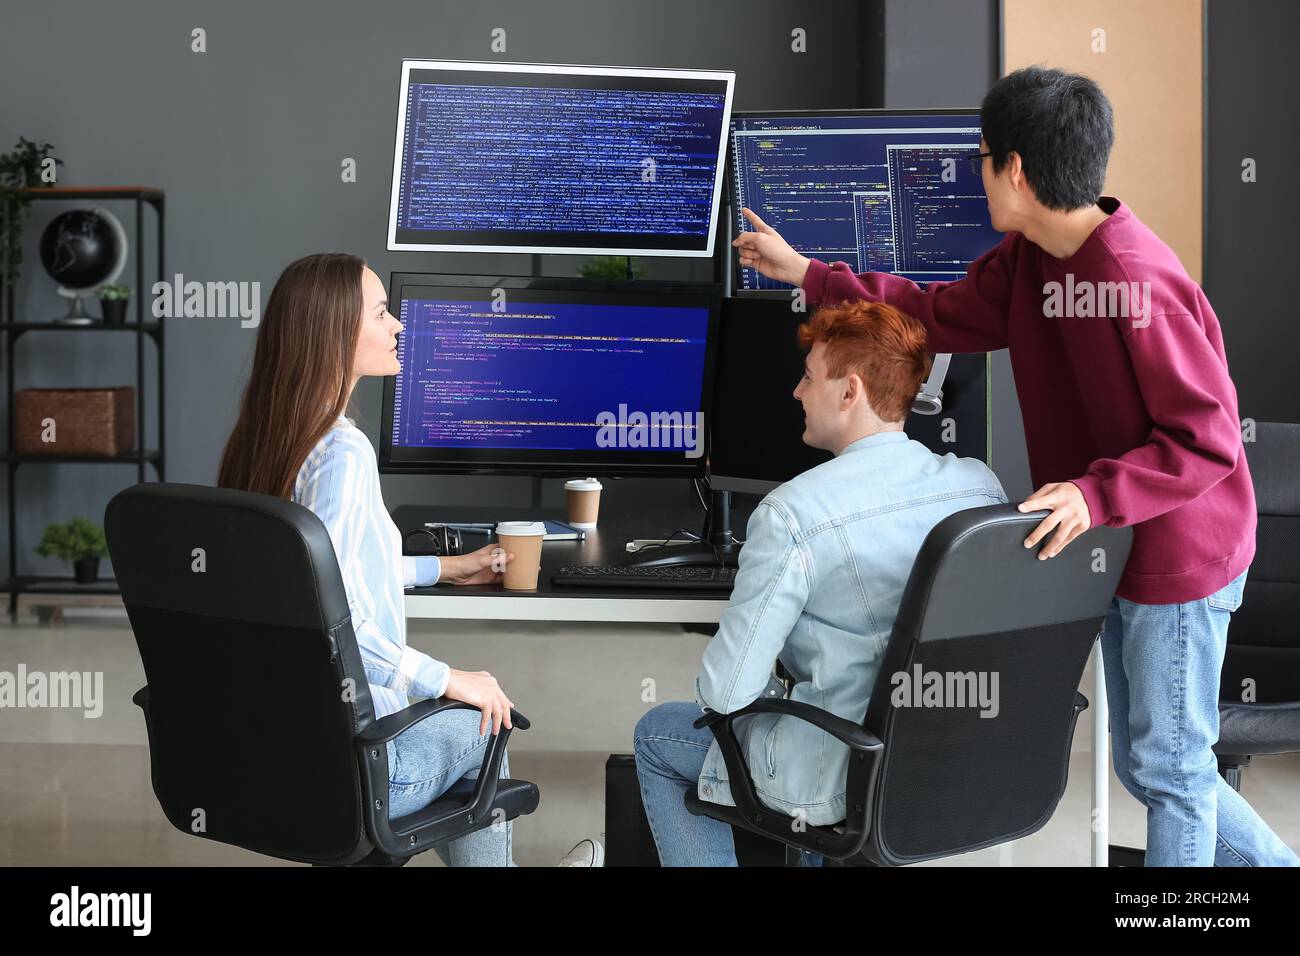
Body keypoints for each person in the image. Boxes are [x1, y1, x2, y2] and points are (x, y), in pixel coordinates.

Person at [732, 66, 1297, 867]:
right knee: (1152, 765)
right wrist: (814, 276)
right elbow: (935, 313)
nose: (978, 172)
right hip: (1110, 541)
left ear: (1016, 170)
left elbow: (1208, 439)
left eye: (981, 157)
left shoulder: (1135, 281)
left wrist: (1096, 492)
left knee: (1168, 770)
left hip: (1179, 555)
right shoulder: (1030, 257)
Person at [218, 252, 603, 867]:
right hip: (350, 768)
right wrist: (446, 678)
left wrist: (444, 569)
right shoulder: (342, 452)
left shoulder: (265, 442)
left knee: (462, 715)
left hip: (272, 753)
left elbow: (317, 573)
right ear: (335, 333)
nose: (399, 324)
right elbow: (331, 617)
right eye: (380, 312)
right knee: (487, 723)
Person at [633, 299, 1007, 866]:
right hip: (956, 759)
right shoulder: (978, 484)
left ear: (849, 390)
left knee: (658, 732)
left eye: (809, 377)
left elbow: (725, 694)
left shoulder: (792, 513)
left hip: (846, 775)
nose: (797, 392)